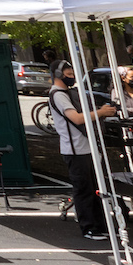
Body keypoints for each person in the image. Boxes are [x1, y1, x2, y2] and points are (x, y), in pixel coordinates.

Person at [47, 62, 119, 241]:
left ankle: (100, 225)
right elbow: (77, 119)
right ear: (57, 74)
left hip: (86, 148)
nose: (71, 75)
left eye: (72, 72)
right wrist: (101, 112)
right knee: (84, 190)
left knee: (95, 189)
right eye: (67, 72)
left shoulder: (67, 93)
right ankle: (89, 228)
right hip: (75, 150)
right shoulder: (58, 95)